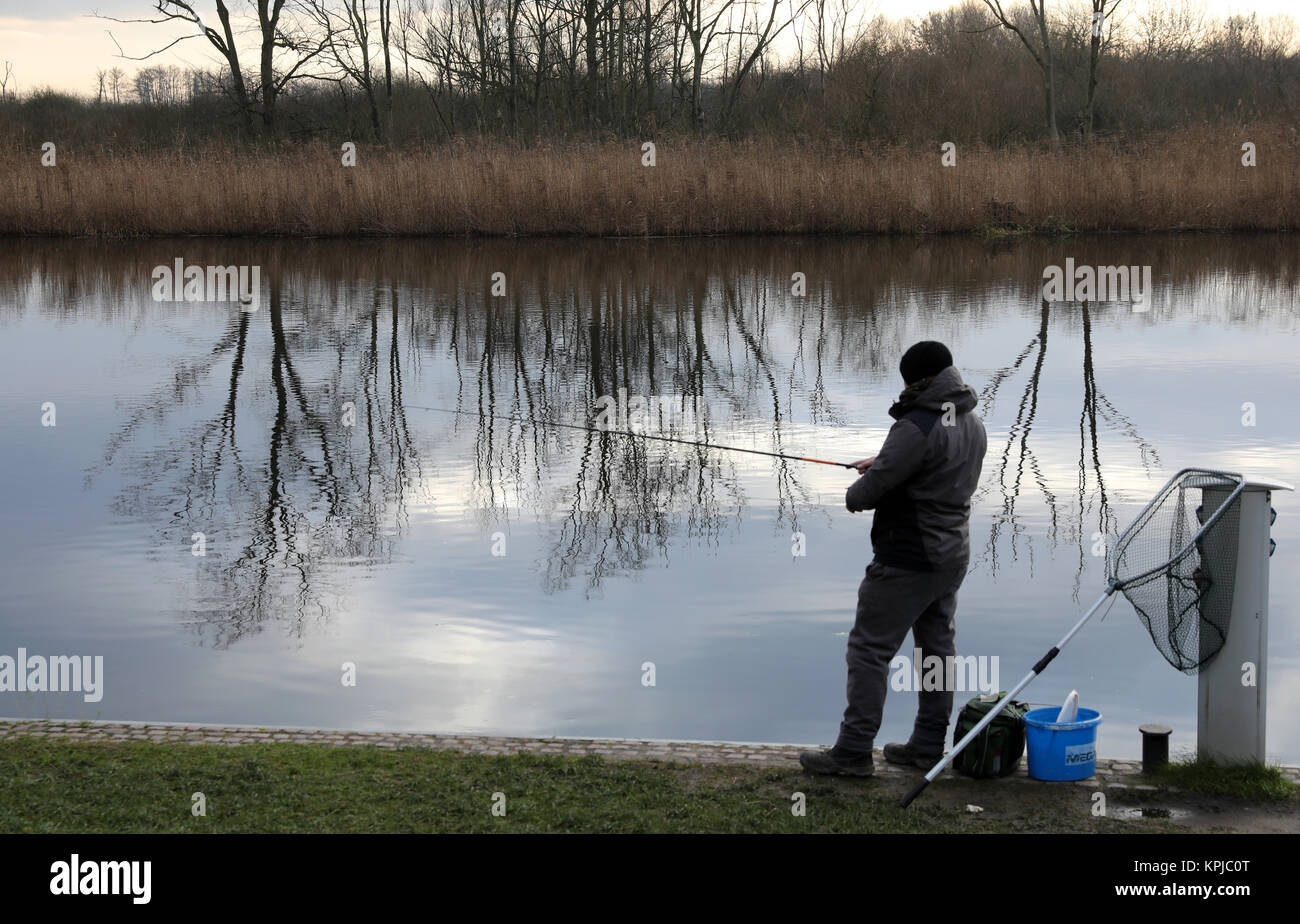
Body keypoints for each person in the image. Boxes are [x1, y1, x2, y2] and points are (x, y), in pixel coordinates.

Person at [800, 341, 987, 777]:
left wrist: (858, 488)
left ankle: (852, 751)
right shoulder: (970, 420)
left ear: (916, 381)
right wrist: (884, 462)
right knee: (936, 653)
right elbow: (927, 469)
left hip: (909, 556)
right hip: (950, 554)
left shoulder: (917, 425)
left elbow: (866, 494)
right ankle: (927, 745)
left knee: (869, 649)